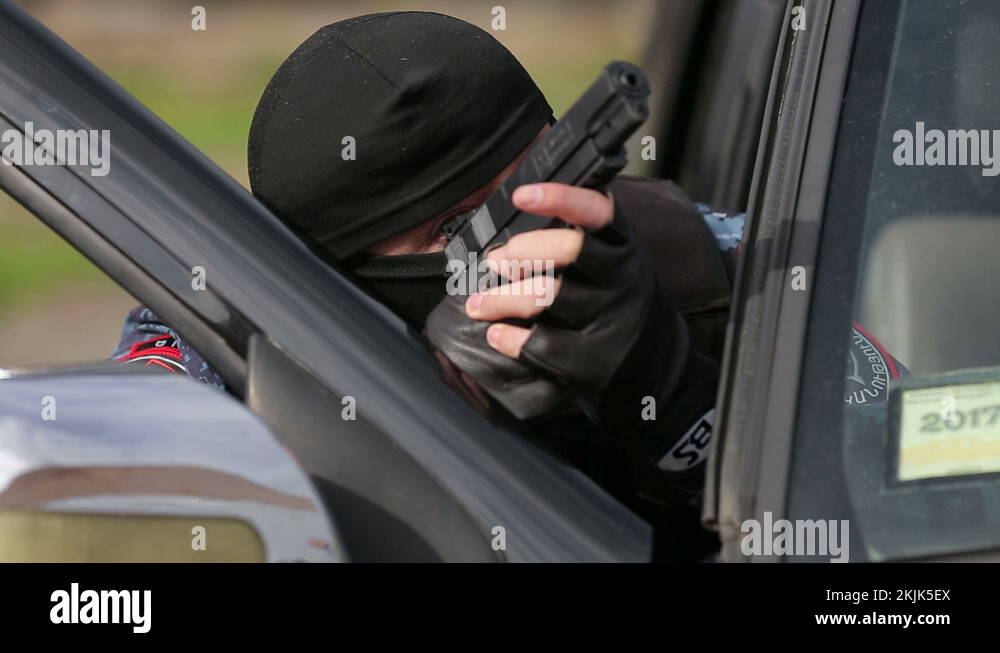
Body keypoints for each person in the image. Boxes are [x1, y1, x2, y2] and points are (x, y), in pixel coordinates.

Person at [110, 11, 893, 560]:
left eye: (545, 196)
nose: (546, 249)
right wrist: (425, 412)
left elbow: (910, 467)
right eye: (460, 231)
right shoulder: (231, 330)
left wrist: (677, 400)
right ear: (341, 278)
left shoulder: (707, 254)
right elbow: (125, 514)